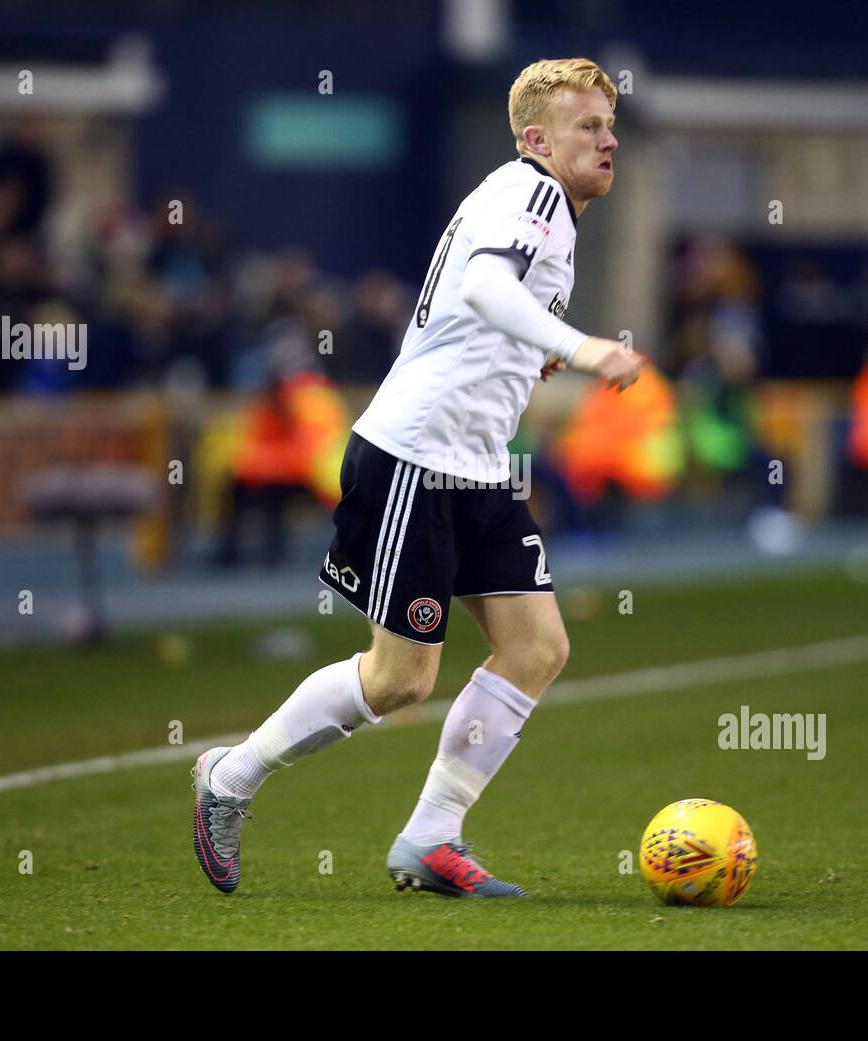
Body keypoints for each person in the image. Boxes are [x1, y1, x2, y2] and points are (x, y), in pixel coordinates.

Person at [192, 58, 644, 898]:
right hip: (417, 459)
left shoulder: (534, 205)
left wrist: (532, 349)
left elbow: (475, 305)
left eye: (610, 125)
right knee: (400, 679)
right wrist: (581, 349)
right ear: (537, 140)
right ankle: (229, 775)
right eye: (589, 126)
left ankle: (431, 837)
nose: (608, 138)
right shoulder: (532, 194)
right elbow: (481, 285)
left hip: (478, 465)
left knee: (538, 646)